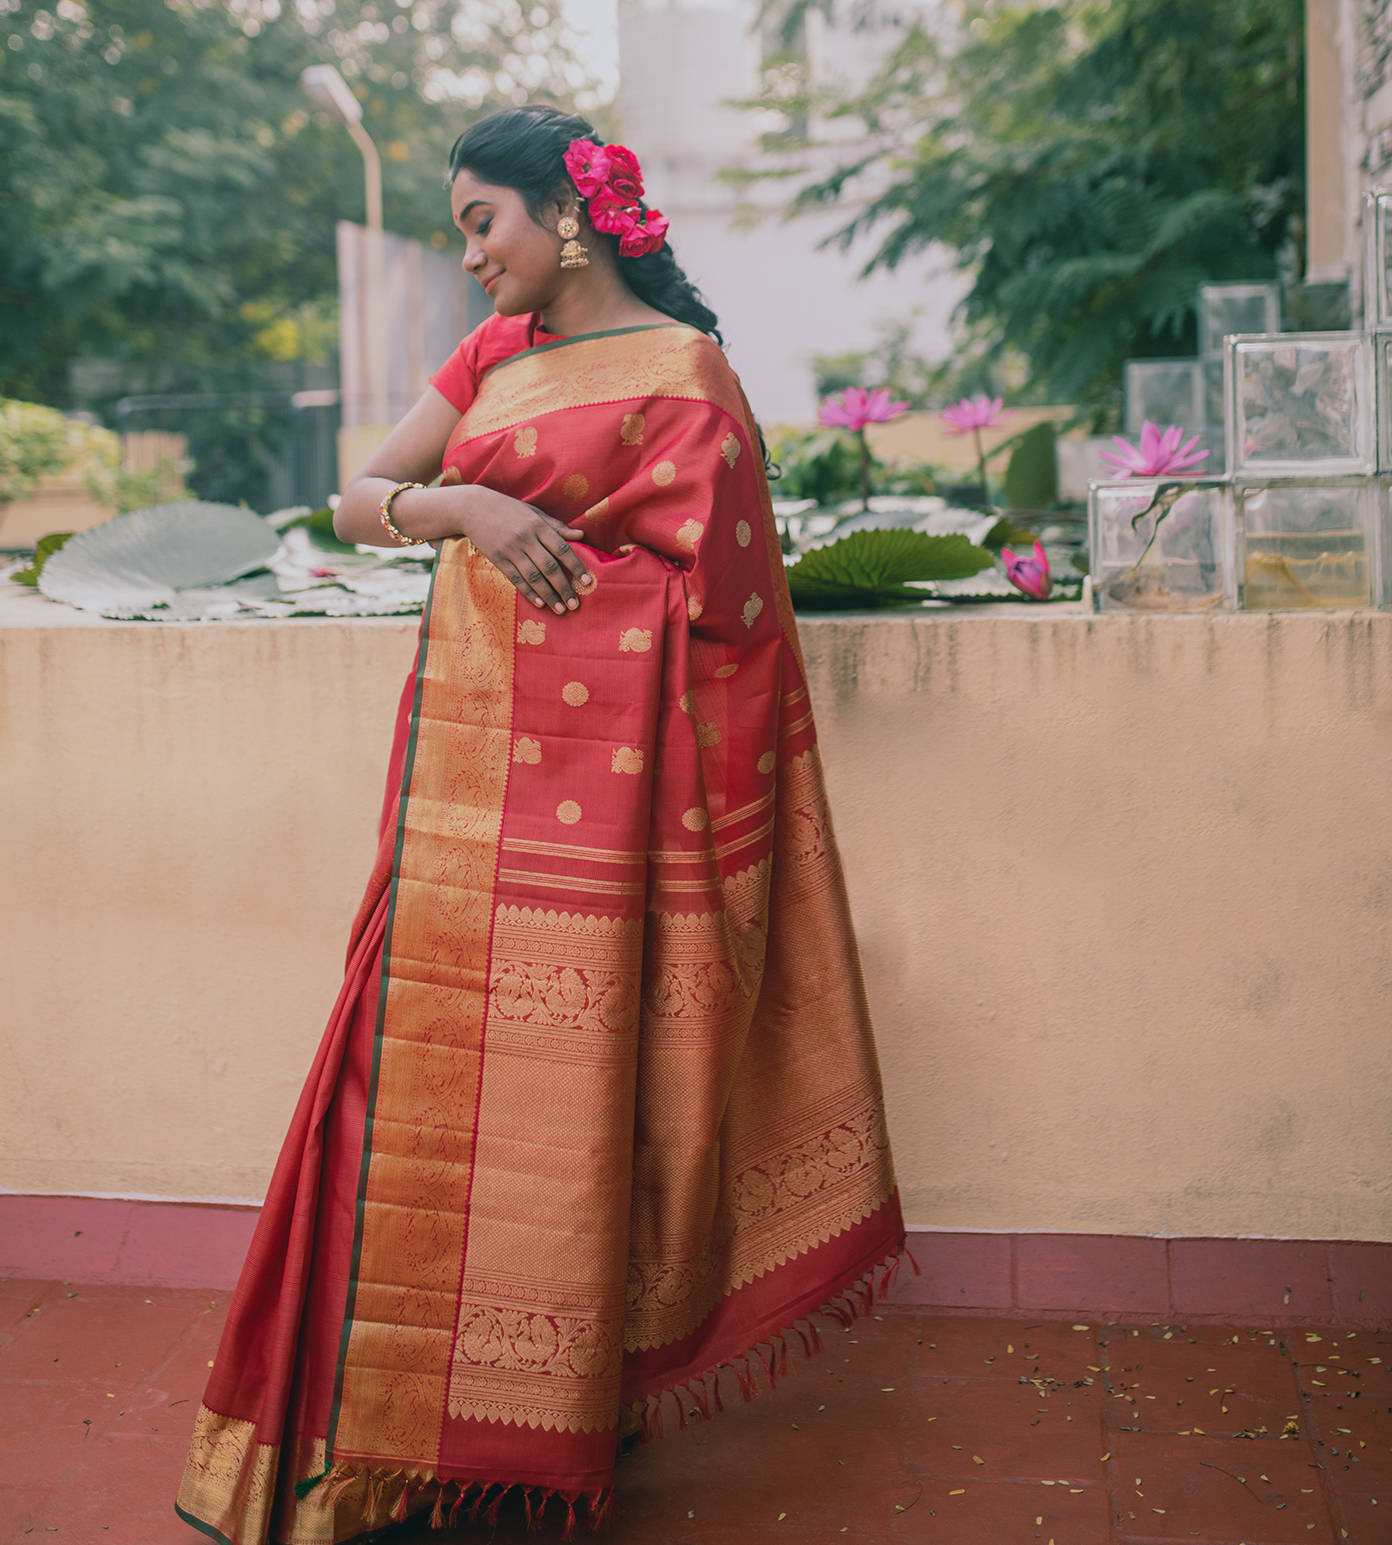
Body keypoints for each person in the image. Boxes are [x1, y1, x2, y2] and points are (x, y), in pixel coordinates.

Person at [175, 102, 912, 1545]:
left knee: (588, 1113)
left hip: (615, 841)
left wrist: (583, 590)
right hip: (463, 816)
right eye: (459, 230)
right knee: (396, 1098)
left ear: (566, 217)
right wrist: (467, 511)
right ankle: (385, 1440)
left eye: (481, 224)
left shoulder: (690, 377)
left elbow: (742, 628)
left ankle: (545, 1421)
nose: (469, 257)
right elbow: (355, 497)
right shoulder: (492, 359)